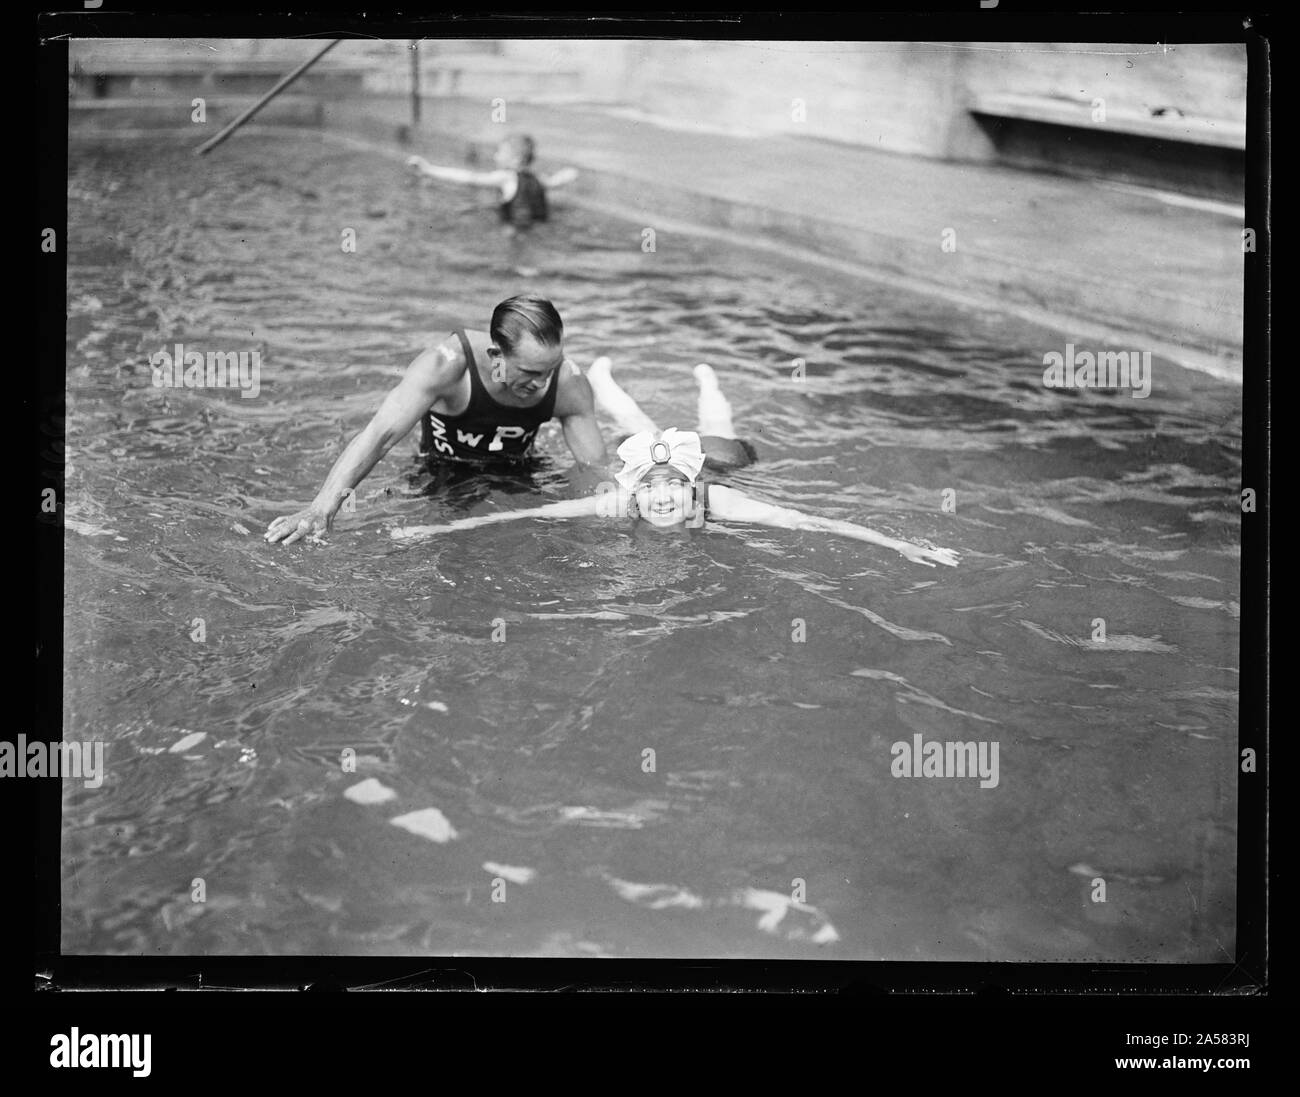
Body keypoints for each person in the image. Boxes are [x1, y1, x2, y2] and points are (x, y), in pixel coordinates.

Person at [391, 359, 960, 568]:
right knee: (641, 435)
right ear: (636, 493)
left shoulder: (719, 496)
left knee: (719, 430)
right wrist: (435, 528)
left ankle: (707, 380)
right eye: (654, 490)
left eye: (672, 490)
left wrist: (905, 546)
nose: (662, 498)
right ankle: (607, 383)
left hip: (713, 458)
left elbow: (812, 523)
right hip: (666, 456)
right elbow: (510, 520)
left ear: (692, 493)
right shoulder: (621, 497)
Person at [265, 295, 607, 547]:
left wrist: (614, 504)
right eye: (532, 372)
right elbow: (380, 436)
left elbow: (594, 469)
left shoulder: (569, 383)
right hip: (440, 473)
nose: (544, 383)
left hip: (519, 473)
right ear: (495, 356)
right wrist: (321, 509)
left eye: (551, 369)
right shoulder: (446, 365)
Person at [406, 134, 579, 230]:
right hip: (539, 227)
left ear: (516, 159)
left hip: (513, 229)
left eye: (500, 152)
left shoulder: (505, 177)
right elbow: (556, 182)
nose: (495, 156)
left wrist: (429, 169)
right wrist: (569, 174)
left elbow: (468, 178)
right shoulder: (538, 178)